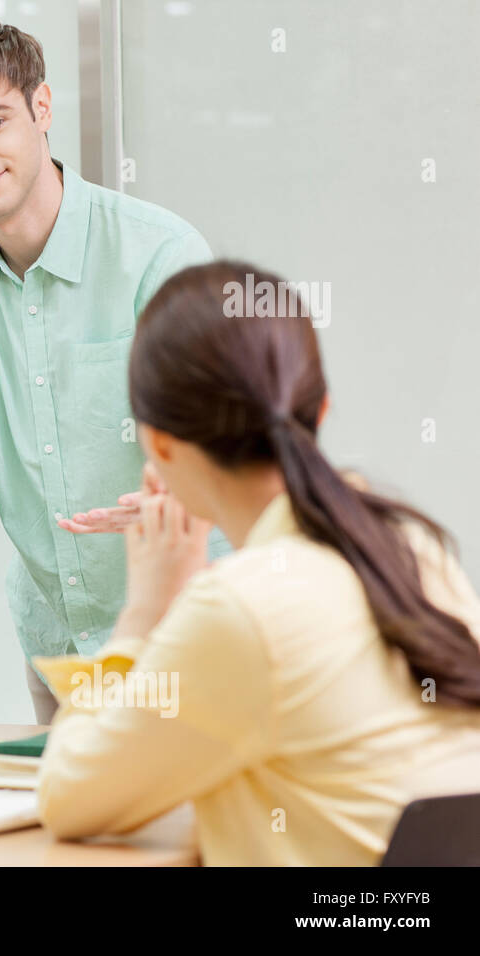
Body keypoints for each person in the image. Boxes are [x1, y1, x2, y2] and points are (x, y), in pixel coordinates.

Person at [35, 261, 480, 865]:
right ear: (320, 411)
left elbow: (69, 795)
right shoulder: (414, 545)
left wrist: (144, 611)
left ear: (158, 444)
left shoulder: (241, 610)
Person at [0, 13, 229, 721]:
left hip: (196, 635)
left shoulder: (159, 255)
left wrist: (181, 493)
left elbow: (219, 457)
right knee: (57, 830)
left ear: (41, 108)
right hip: (63, 651)